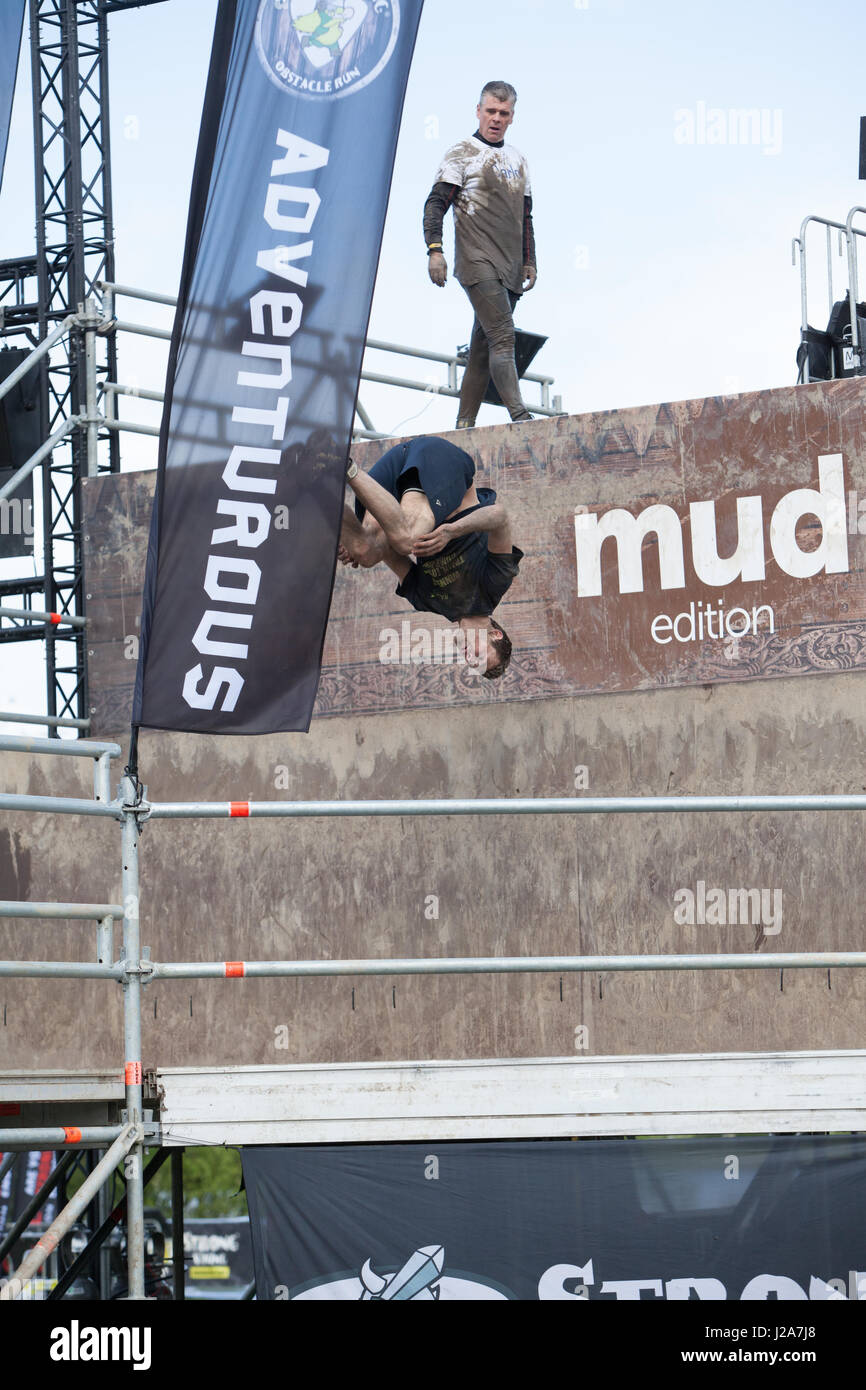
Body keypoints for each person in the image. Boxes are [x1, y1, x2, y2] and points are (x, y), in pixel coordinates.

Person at [337, 436, 523, 680]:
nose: (469, 657)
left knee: (365, 551)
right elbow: (499, 516)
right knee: (408, 540)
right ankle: (342, 464)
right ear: (495, 635)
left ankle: (316, 482)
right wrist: (451, 531)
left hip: (394, 483)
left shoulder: (431, 602)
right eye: (480, 656)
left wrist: (352, 546)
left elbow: (387, 553)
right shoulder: (494, 585)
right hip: (438, 463)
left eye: (470, 663)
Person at [423, 80, 537, 429]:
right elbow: (434, 204)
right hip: (476, 261)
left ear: (512, 117)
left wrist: (530, 260)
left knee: (483, 347)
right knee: (503, 335)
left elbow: (526, 216)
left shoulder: (519, 160)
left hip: (511, 267)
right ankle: (522, 418)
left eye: (503, 113)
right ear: (478, 111)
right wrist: (435, 250)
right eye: (490, 111)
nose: (496, 118)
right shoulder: (462, 152)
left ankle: (464, 425)